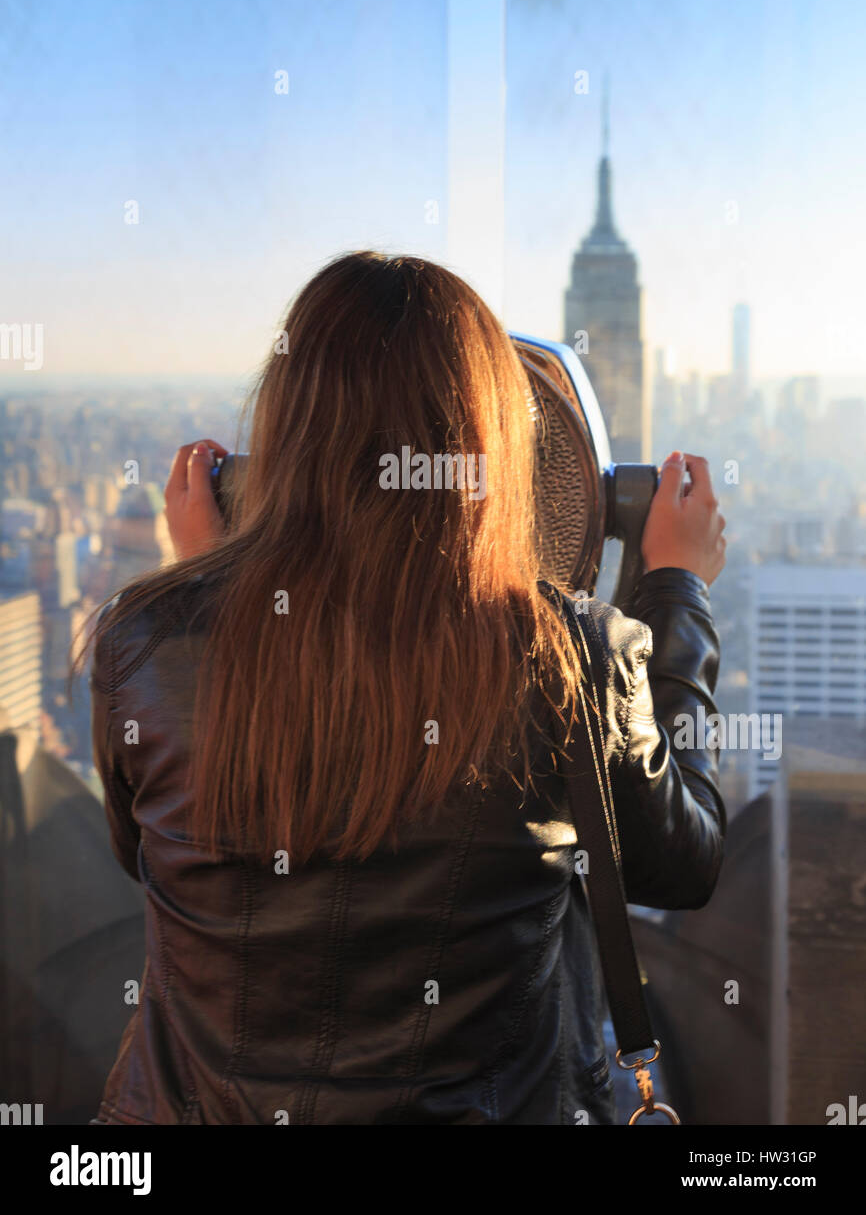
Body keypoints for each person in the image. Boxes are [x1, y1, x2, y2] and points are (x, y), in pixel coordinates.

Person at [85, 250, 726, 1125]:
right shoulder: (570, 658)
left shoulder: (142, 641)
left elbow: (155, 858)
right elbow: (678, 863)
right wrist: (677, 592)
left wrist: (209, 590)